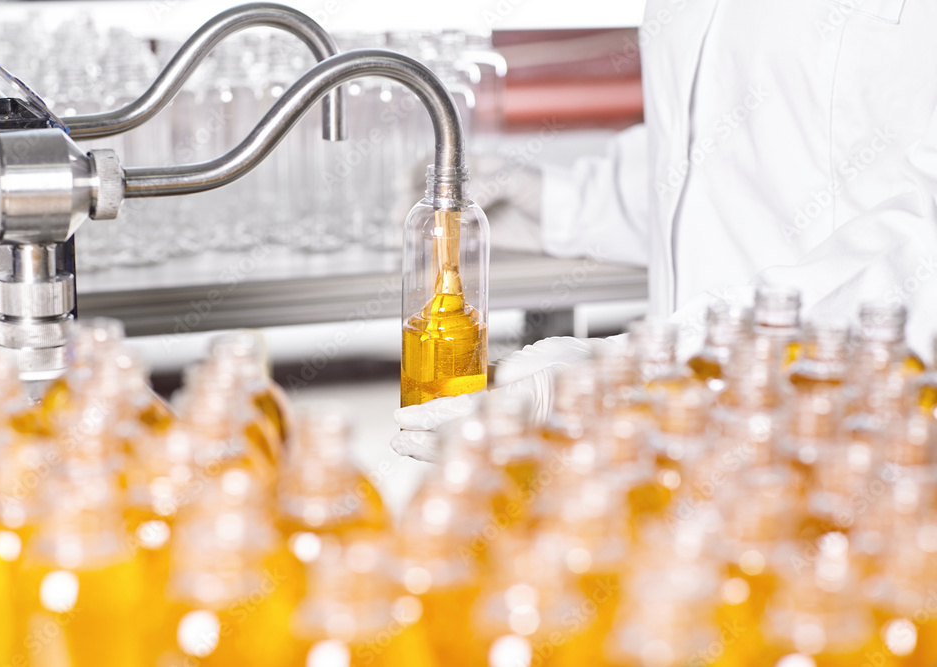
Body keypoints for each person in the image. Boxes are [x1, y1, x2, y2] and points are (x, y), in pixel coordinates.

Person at [392, 0, 937, 461]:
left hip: (857, 448)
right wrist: (564, 204)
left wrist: (658, 368)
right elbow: (721, 147)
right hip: (684, 450)